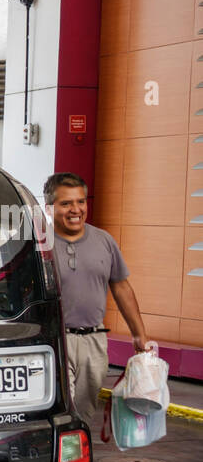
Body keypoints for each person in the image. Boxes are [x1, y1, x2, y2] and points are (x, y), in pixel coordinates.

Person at [43, 172, 148, 432]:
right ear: (49, 207)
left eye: (81, 202)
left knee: (84, 411)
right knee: (63, 408)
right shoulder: (38, 244)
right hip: (55, 340)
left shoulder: (104, 241)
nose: (75, 210)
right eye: (66, 203)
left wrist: (139, 334)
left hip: (94, 341)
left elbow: (121, 287)